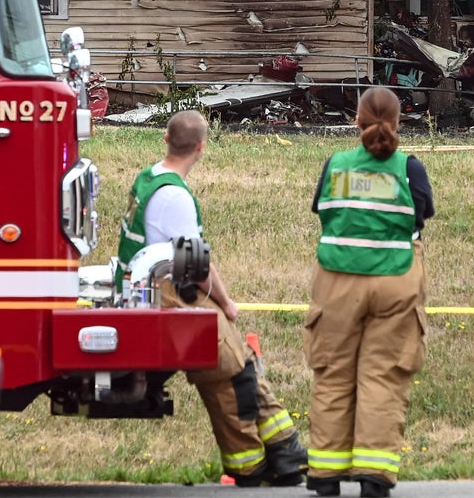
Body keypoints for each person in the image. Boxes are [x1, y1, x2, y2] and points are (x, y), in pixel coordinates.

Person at [118, 109, 307, 487]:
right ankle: (253, 464)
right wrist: (227, 303)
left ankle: (286, 453)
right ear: (202, 147)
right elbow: (198, 266)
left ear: (166, 140)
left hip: (150, 289)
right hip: (168, 294)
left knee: (241, 361)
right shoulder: (175, 196)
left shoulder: (149, 178)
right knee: (230, 369)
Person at [304, 87, 435, 498]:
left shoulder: (336, 165)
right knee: (384, 375)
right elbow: (423, 213)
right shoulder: (409, 168)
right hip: (396, 279)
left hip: (337, 281)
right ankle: (374, 478)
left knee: (332, 374)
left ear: (356, 121)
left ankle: (325, 476)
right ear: (398, 123)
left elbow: (320, 209)